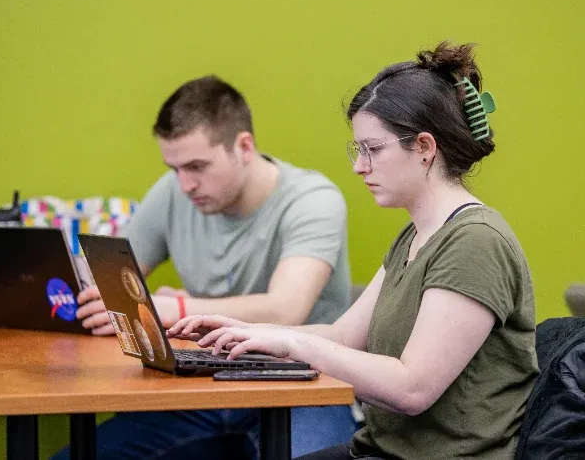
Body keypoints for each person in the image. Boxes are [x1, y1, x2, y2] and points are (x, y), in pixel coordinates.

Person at [168, 42, 539, 460]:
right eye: (358, 149)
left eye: (372, 149)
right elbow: (344, 336)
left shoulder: (476, 242)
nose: (359, 167)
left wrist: (293, 345)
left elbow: (411, 388)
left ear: (424, 148)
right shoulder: (417, 236)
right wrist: (251, 332)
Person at [53, 75, 356, 459]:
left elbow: (286, 309)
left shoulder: (313, 200)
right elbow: (105, 277)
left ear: (243, 146)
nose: (184, 184)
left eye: (197, 166)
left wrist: (177, 308)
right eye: (174, 168)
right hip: (203, 383)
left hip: (304, 386)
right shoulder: (173, 191)